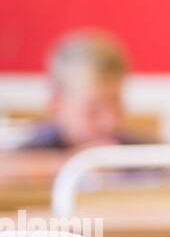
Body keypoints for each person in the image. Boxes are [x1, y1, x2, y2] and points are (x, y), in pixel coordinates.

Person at [20, 29, 155, 150]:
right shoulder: (40, 146)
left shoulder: (133, 149)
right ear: (57, 104)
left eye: (116, 105)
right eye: (93, 110)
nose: (110, 121)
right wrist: (81, 161)